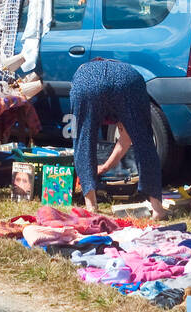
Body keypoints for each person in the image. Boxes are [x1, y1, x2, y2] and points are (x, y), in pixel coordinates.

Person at [70, 58, 167, 221]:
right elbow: (128, 138)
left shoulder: (81, 73)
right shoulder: (124, 69)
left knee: (83, 141)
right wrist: (107, 166)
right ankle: (157, 209)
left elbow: (82, 140)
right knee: (144, 141)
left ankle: (91, 207)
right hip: (128, 81)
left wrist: (106, 166)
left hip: (87, 84)